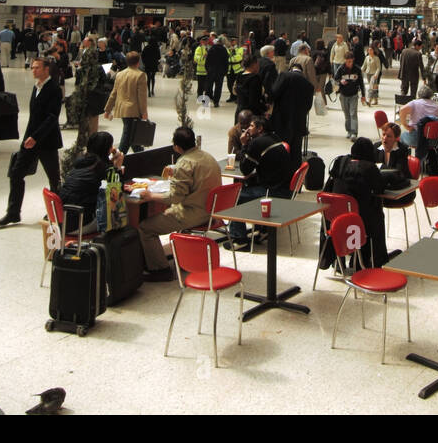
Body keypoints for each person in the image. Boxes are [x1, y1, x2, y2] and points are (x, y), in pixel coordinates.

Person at [133, 126, 219, 280]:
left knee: (145, 228)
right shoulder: (208, 157)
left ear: (177, 147)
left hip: (193, 213)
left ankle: (160, 269)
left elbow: (175, 198)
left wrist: (151, 195)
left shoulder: (185, 163)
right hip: (211, 210)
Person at [0, 58, 63, 228]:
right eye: (32, 68)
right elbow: (34, 117)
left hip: (46, 141)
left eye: (36, 68)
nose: (33, 70)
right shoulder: (36, 87)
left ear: (46, 69)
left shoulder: (54, 89)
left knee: (54, 178)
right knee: (16, 173)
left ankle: (55, 211)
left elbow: (52, 117)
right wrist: (27, 138)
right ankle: (13, 213)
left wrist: (36, 137)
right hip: (30, 140)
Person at [321, 137, 389, 270]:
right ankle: (373, 259)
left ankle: (336, 261)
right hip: (357, 221)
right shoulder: (369, 167)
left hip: (334, 219)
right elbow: (380, 189)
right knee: (377, 213)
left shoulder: (340, 162)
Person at [229, 117, 293, 249]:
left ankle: (239, 239)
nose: (247, 129)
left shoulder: (257, 143)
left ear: (260, 129)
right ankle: (262, 230)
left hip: (273, 192)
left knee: (234, 197)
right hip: (286, 189)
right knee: (250, 185)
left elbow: (245, 169)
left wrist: (245, 144)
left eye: (251, 126)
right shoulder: (275, 137)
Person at [58, 131, 123, 236]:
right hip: (79, 223)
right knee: (116, 218)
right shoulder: (104, 168)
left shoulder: (80, 161)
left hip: (60, 220)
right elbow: (116, 193)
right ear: (108, 149)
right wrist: (117, 168)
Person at [104, 52, 150, 154]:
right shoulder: (140, 75)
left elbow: (113, 93)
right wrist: (144, 112)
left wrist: (108, 109)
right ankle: (117, 159)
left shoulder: (120, 74)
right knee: (127, 138)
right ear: (138, 62)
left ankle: (140, 157)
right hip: (133, 110)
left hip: (122, 109)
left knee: (134, 137)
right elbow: (141, 97)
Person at [269, 61, 314, 160]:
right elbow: (308, 106)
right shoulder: (309, 85)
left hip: (281, 120)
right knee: (295, 151)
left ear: (291, 68)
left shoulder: (284, 76)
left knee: (281, 149)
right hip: (298, 123)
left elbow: (273, 93)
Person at [334, 52, 367, 141]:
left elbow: (361, 83)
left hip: (354, 95)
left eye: (351, 61)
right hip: (343, 95)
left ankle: (354, 133)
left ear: (353, 60)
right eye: (347, 61)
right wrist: (341, 81)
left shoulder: (357, 69)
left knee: (353, 114)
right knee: (347, 114)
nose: (349, 63)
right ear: (345, 61)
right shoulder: (341, 69)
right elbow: (335, 79)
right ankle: (348, 131)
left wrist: (363, 95)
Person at [398, 84, 438, 150]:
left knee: (400, 136)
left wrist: (405, 125)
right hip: (433, 139)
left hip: (416, 138)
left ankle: (405, 158)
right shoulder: (436, 105)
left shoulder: (415, 103)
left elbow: (402, 110)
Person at [206, 36, 229, 107]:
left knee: (209, 86)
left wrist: (207, 69)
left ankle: (207, 100)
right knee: (218, 87)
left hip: (211, 70)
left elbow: (207, 60)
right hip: (220, 72)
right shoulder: (224, 50)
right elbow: (226, 62)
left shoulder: (212, 49)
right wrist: (225, 71)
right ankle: (216, 102)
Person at [226, 36, 243, 102]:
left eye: (233, 40)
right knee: (229, 84)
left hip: (237, 69)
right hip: (229, 69)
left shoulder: (239, 49)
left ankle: (237, 97)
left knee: (237, 84)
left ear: (236, 41)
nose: (232, 42)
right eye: (231, 41)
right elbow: (226, 57)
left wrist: (231, 59)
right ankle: (232, 96)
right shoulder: (227, 49)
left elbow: (239, 57)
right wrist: (231, 59)